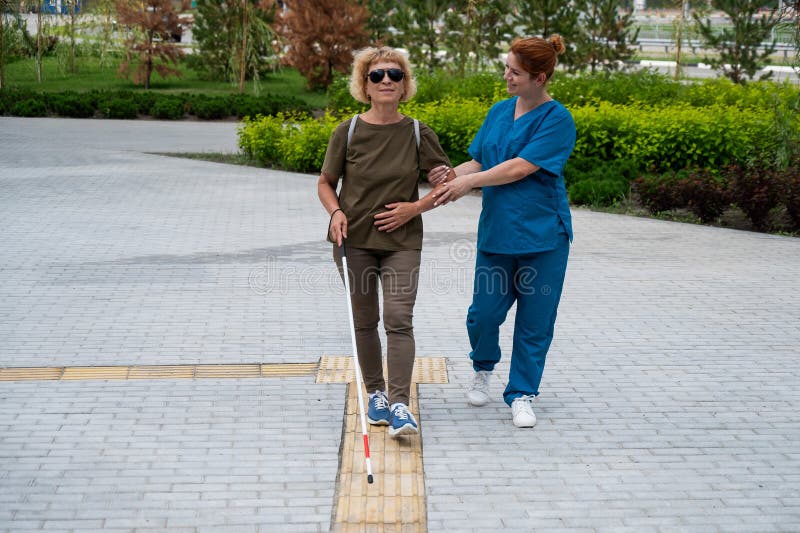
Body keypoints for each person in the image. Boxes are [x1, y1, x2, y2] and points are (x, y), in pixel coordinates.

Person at [429, 35, 576, 428]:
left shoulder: (557, 120)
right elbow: (480, 160)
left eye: (515, 72)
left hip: (543, 238)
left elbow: (519, 167)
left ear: (540, 77)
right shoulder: (499, 111)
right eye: (506, 68)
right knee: (483, 314)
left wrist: (469, 185)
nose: (506, 76)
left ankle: (522, 393)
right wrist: (446, 179)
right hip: (498, 235)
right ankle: (483, 366)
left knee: (535, 321)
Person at [318, 46, 453, 437]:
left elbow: (444, 184)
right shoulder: (348, 131)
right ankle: (374, 394)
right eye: (377, 75)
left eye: (395, 75)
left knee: (398, 320)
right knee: (364, 322)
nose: (387, 81)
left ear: (405, 83)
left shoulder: (417, 132)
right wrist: (335, 212)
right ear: (365, 84)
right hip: (353, 240)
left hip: (403, 242)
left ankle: (399, 405)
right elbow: (326, 183)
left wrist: (416, 207)